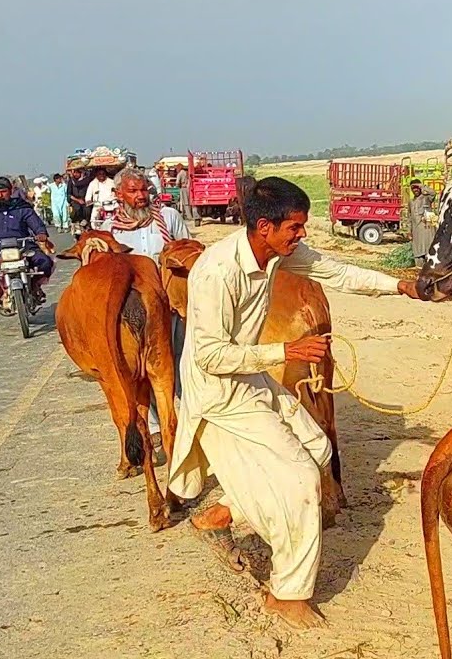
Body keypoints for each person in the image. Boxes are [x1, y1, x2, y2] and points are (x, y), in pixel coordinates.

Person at [170, 176, 422, 629]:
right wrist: (286, 352)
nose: (301, 235)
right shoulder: (216, 272)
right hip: (218, 392)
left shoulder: (277, 254)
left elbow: (336, 272)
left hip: (248, 375)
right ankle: (288, 594)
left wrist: (399, 286)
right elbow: (209, 355)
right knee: (302, 479)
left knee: (318, 449)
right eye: (295, 227)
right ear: (264, 227)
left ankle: (219, 515)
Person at [99, 166, 191, 444]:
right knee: (142, 370)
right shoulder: (109, 231)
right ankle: (154, 425)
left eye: (144, 190)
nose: (140, 196)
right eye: (133, 191)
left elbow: (188, 253)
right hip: (135, 316)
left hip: (172, 307)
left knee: (182, 360)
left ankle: (190, 418)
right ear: (119, 194)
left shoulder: (168, 218)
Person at [0, 177, 54, 307]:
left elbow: (36, 224)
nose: (0, 195)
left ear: (10, 191)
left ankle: (35, 285)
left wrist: (41, 233)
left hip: (23, 246)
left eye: (4, 192)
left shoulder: (21, 207)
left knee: (44, 262)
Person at [406, 180, 436, 268]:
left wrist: (422, 186)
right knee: (418, 254)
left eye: (417, 187)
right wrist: (409, 231)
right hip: (416, 232)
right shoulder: (411, 202)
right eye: (413, 188)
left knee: (429, 251)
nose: (415, 190)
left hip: (428, 230)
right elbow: (409, 217)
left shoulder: (426, 198)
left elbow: (433, 193)